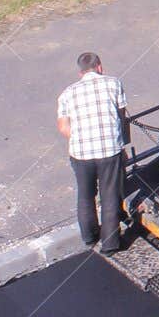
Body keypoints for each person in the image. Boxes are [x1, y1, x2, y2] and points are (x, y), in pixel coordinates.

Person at [55, 52, 128, 253]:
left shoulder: (67, 93)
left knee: (85, 195)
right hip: (109, 150)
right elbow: (121, 117)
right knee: (109, 195)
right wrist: (122, 146)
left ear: (80, 73)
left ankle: (89, 236)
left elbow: (63, 127)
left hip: (80, 154)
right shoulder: (114, 83)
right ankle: (110, 244)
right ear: (100, 67)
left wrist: (82, 139)